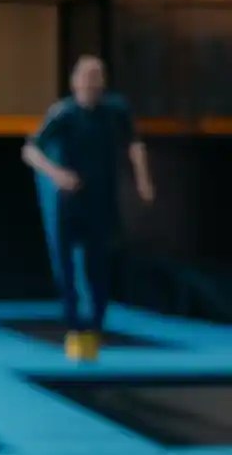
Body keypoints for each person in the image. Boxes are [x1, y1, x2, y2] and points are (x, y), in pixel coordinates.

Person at [22, 55, 155, 359]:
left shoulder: (116, 110)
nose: (91, 85)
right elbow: (30, 150)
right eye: (85, 78)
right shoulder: (63, 113)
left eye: (96, 78)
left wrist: (143, 180)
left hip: (102, 200)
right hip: (71, 200)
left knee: (98, 265)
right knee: (67, 266)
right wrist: (56, 173)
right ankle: (73, 326)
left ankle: (94, 326)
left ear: (103, 83)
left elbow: (135, 145)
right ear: (75, 82)